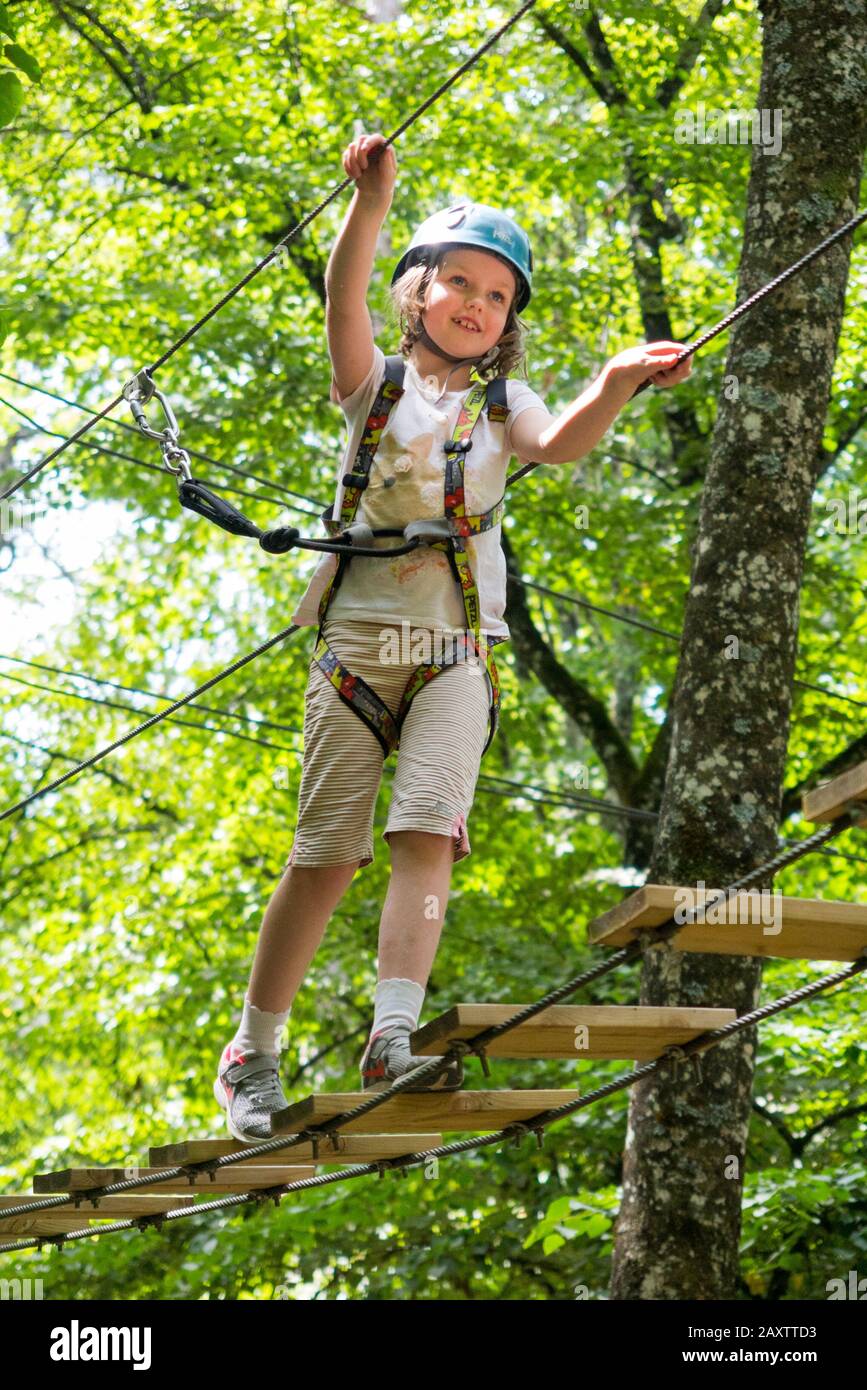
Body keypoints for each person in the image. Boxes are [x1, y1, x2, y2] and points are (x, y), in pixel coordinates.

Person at [214, 131, 692, 1142]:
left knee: (428, 832)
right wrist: (370, 203)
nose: (477, 305)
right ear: (418, 292)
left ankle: (393, 1033)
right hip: (356, 646)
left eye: (498, 296)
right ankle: (253, 1048)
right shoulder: (373, 384)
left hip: (457, 650)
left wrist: (615, 381)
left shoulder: (503, 402)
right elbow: (342, 296)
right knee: (327, 852)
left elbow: (558, 448)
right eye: (459, 283)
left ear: (509, 321)